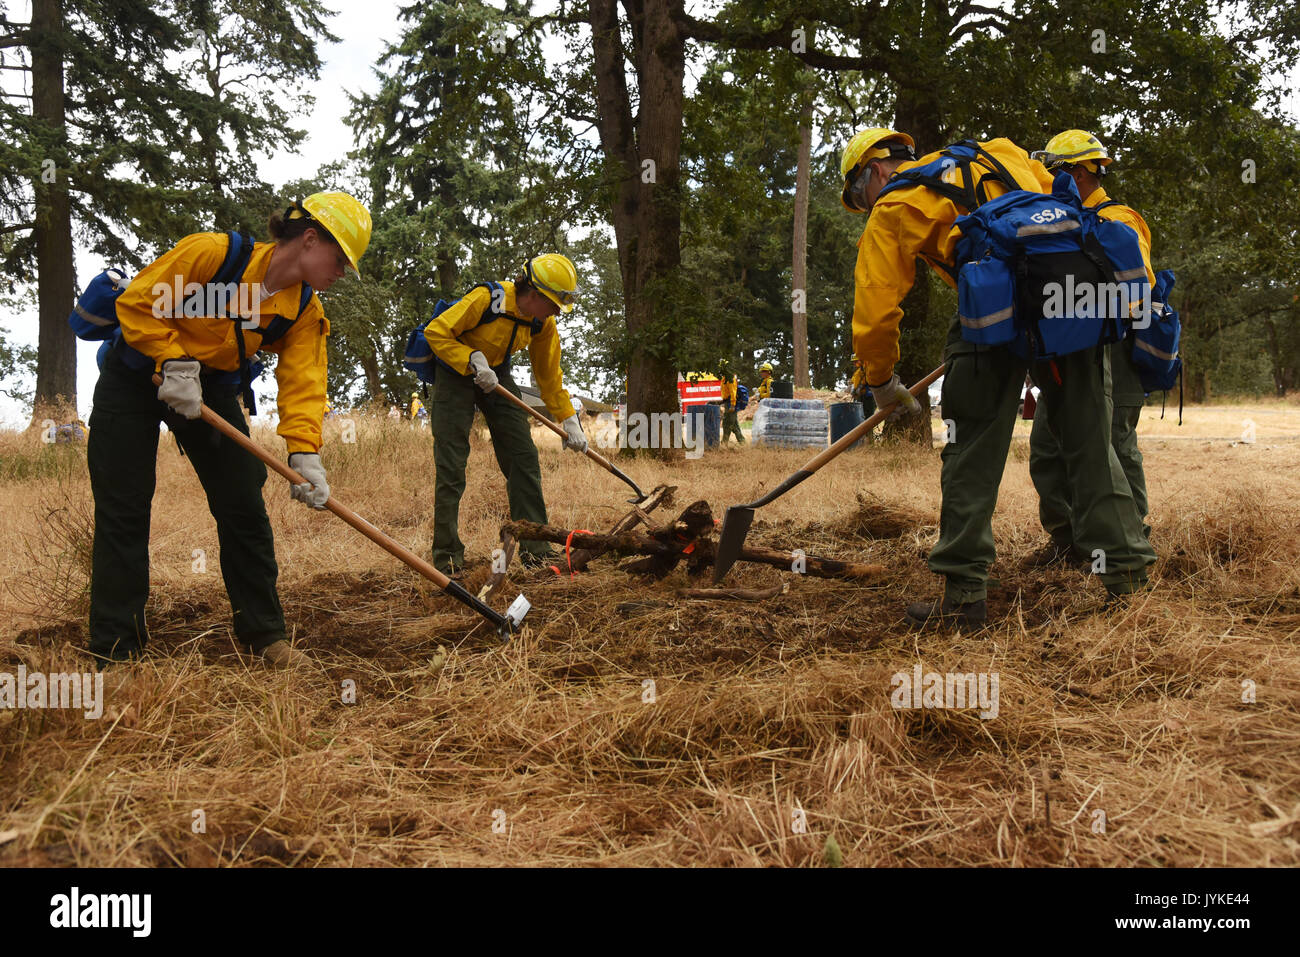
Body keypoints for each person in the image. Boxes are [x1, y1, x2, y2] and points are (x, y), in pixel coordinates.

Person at [840, 128, 1154, 628]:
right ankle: (1131, 582)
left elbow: (876, 310)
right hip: (1073, 304)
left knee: (972, 454)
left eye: (857, 193)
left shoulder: (893, 206)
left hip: (988, 316)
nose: (864, 202)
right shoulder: (1000, 152)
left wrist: (880, 381)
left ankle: (965, 598)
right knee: (1093, 445)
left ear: (874, 169)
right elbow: (1062, 214)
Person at [87, 191, 371, 668]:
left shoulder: (303, 311)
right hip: (136, 375)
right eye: (341, 257)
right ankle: (117, 653)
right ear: (308, 238)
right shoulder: (213, 255)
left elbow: (304, 382)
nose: (342, 271)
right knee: (124, 507)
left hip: (210, 389)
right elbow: (137, 304)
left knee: (243, 503)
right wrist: (172, 361)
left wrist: (305, 454)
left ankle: (266, 636)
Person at [1026, 130, 1156, 564]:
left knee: (1114, 447)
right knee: (1048, 445)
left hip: (1114, 348)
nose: (1047, 181)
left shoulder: (1119, 219)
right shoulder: (1053, 222)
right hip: (1068, 351)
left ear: (1081, 171)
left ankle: (1130, 542)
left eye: (1056, 173)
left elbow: (1139, 286)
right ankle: (1068, 543)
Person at [423, 254, 586, 575]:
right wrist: (471, 358)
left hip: (498, 375)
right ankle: (448, 557)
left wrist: (569, 419)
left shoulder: (542, 323)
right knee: (452, 464)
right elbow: (436, 331)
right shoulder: (487, 299)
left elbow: (549, 377)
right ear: (534, 295)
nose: (557, 312)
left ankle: (536, 550)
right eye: (554, 304)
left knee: (524, 457)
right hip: (455, 372)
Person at [718, 363, 745, 444]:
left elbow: (733, 393)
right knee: (734, 424)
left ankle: (724, 442)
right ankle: (742, 442)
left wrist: (733, 405)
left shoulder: (730, 378)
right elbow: (725, 392)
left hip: (731, 403)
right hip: (727, 402)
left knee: (728, 423)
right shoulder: (724, 378)